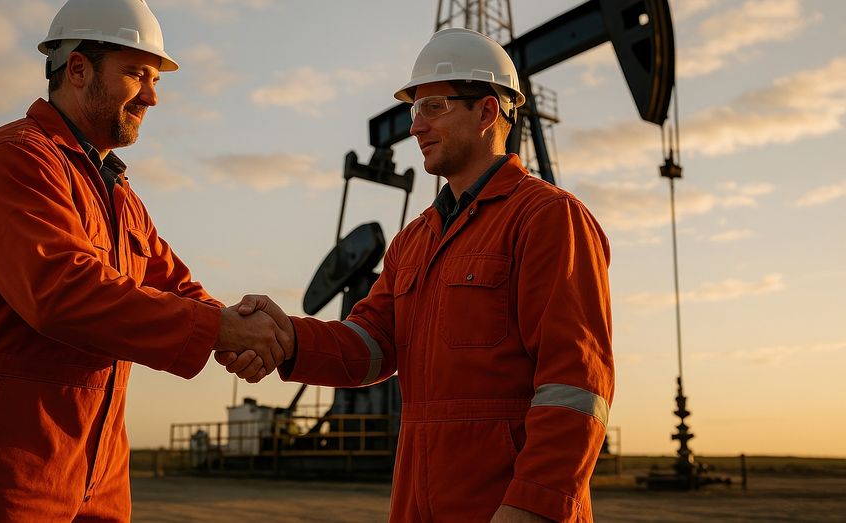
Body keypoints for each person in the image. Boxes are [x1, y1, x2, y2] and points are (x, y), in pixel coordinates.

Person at [0, 0, 291, 522]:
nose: (152, 97)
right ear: (79, 69)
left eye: (156, 81)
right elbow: (61, 292)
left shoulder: (119, 196)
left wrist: (245, 329)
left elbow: (177, 288)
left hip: (99, 474)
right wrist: (223, 331)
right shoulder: (14, 160)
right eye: (137, 74)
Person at [220, 28, 614, 522]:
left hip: (503, 507)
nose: (415, 128)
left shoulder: (548, 218)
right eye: (414, 111)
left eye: (433, 107)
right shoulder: (414, 241)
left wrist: (533, 504)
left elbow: (576, 383)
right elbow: (369, 345)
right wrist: (287, 338)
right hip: (416, 503)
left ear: (487, 112)